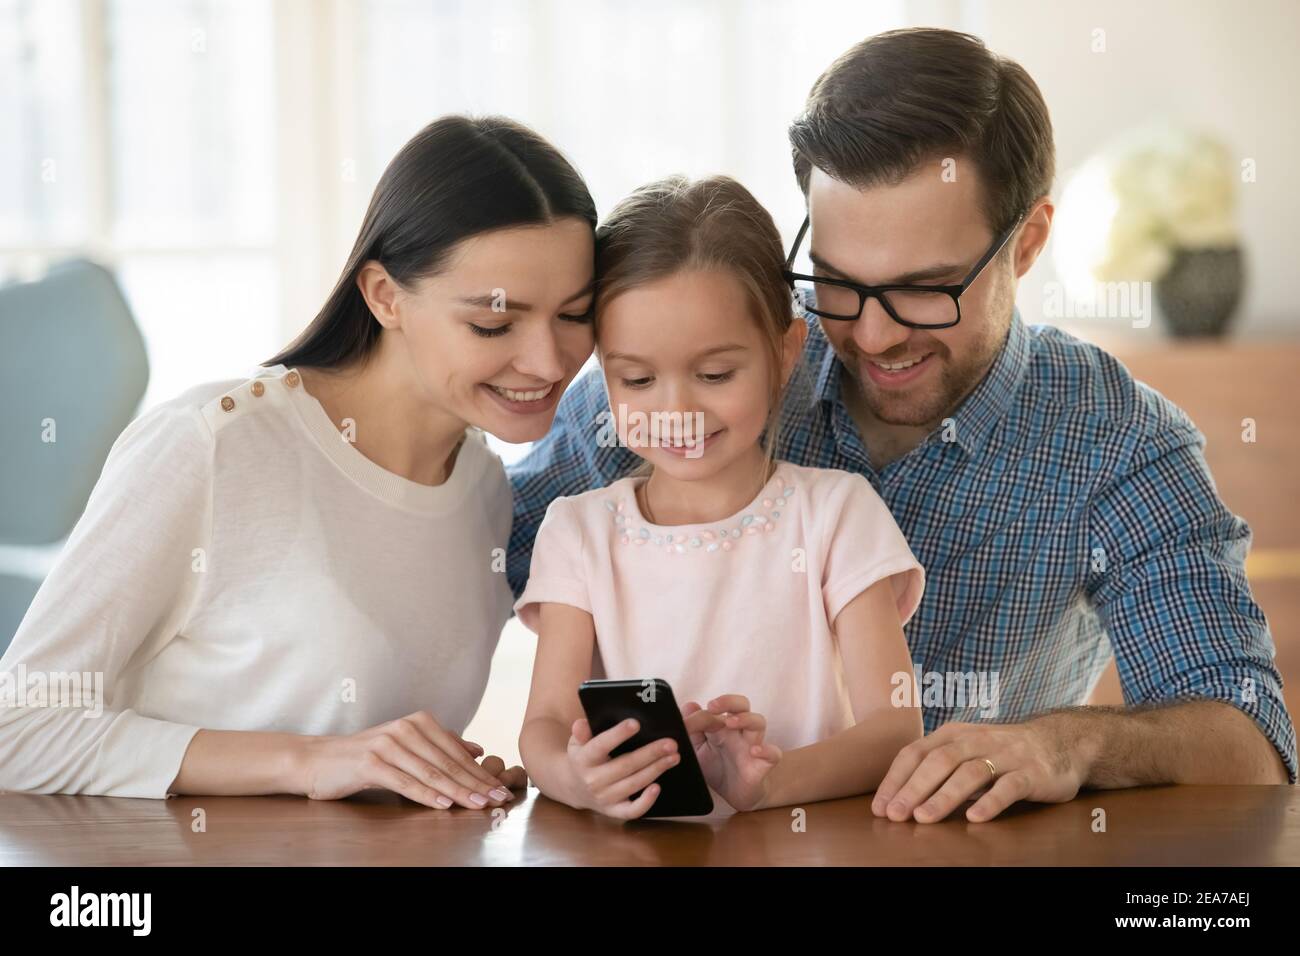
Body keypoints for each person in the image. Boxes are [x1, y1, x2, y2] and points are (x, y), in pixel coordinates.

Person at [507, 29, 1297, 824]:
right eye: (840, 283)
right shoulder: (711, 364)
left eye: (926, 289)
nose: (875, 337)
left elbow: (1251, 746)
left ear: (1027, 242)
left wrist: (1066, 744)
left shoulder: (1116, 440)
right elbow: (472, 540)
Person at [0, 115, 595, 809]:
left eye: (575, 315)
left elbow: (363, 760)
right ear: (383, 296)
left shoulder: (483, 488)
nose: (549, 362)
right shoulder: (214, 448)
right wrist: (308, 762)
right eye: (494, 324)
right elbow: (17, 726)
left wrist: (428, 782)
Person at [515, 175, 926, 819]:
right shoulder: (577, 531)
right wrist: (577, 778)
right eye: (637, 378)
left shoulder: (838, 515)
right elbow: (544, 724)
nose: (675, 408)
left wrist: (771, 784)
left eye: (714, 374)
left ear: (785, 353)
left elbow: (894, 730)